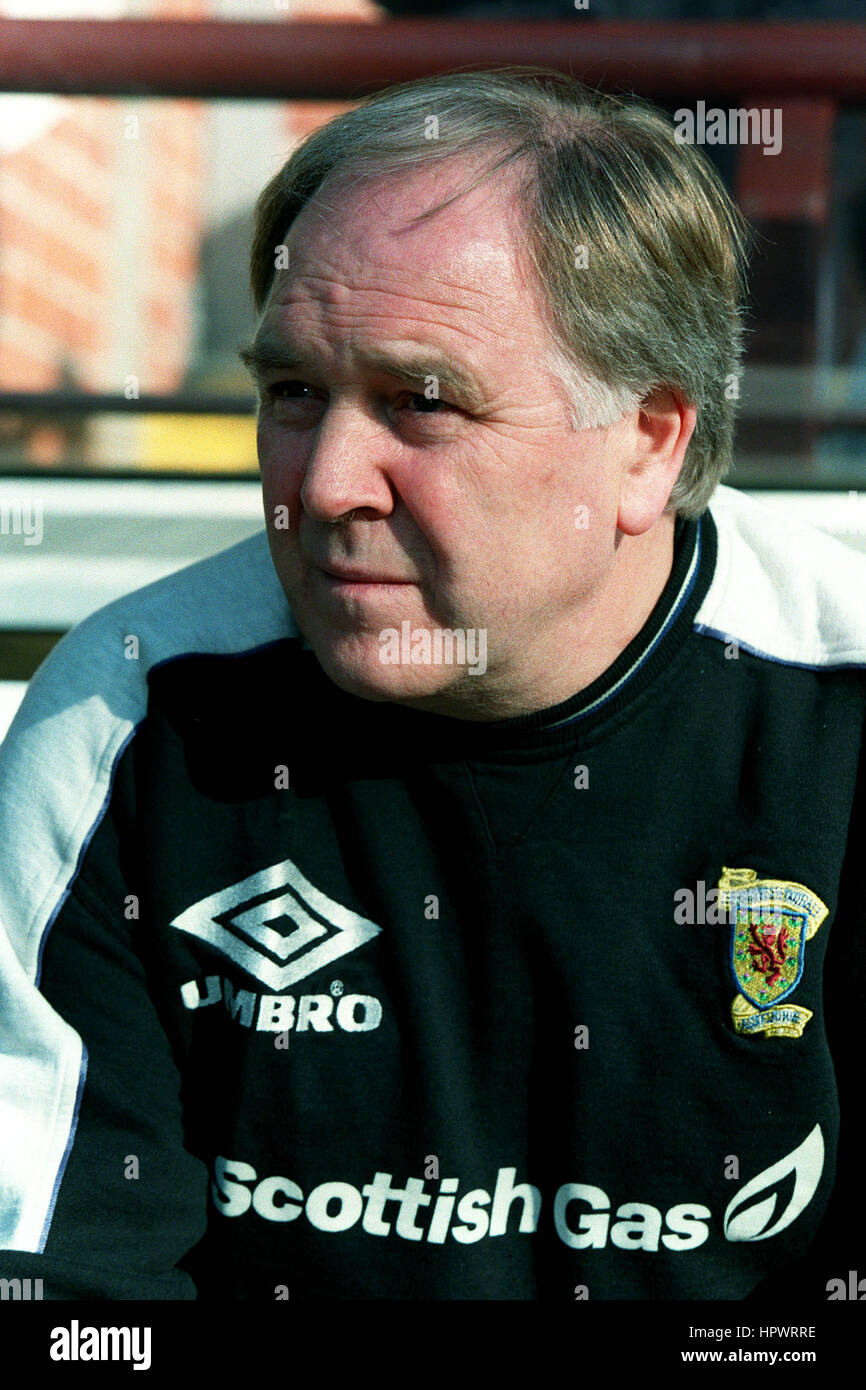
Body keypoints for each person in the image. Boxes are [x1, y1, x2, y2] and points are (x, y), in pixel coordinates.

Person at [1, 69, 864, 1302]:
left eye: (422, 401)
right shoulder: (125, 716)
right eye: (293, 391)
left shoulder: (836, 705)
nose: (330, 482)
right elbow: (68, 1301)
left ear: (647, 441)